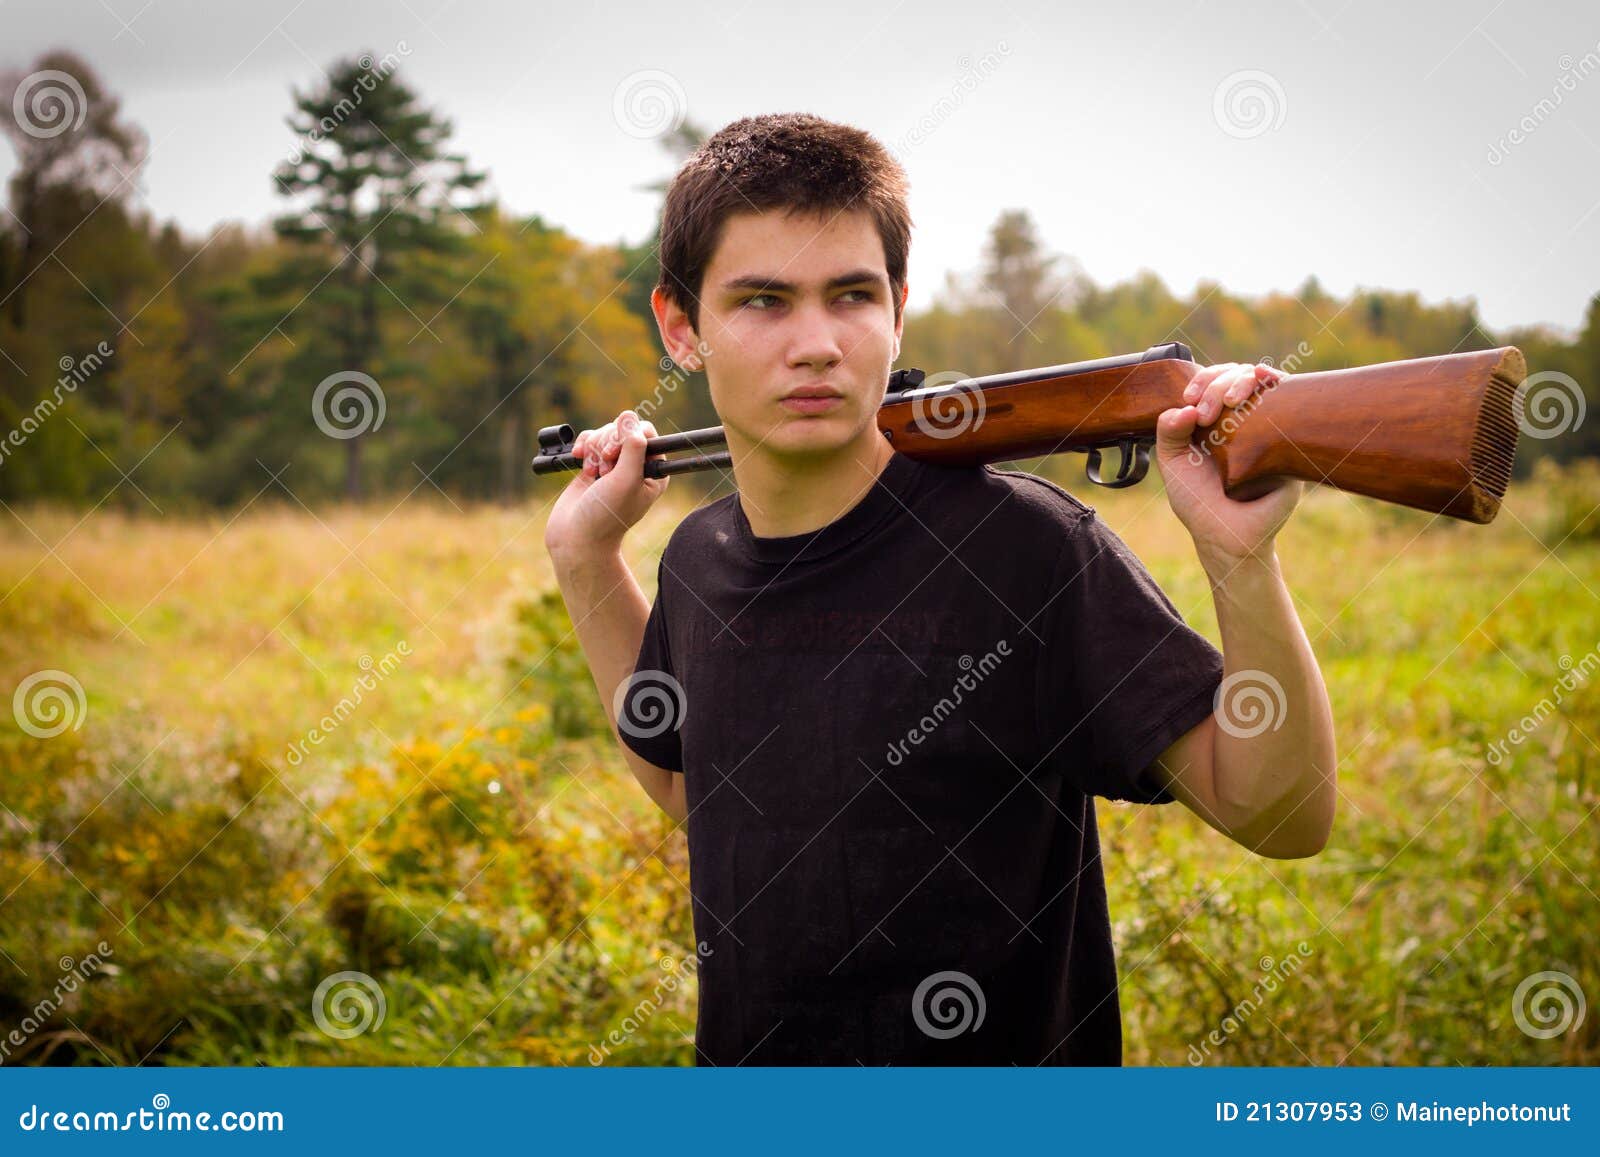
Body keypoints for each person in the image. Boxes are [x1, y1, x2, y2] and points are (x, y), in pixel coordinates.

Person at [542, 113, 1336, 1065]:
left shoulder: (1027, 550)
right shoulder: (697, 556)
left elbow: (1281, 813)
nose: (817, 343)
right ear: (682, 328)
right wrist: (587, 563)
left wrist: (1241, 561)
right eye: (762, 301)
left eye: (851, 295)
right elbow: (693, 790)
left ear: (899, 309)